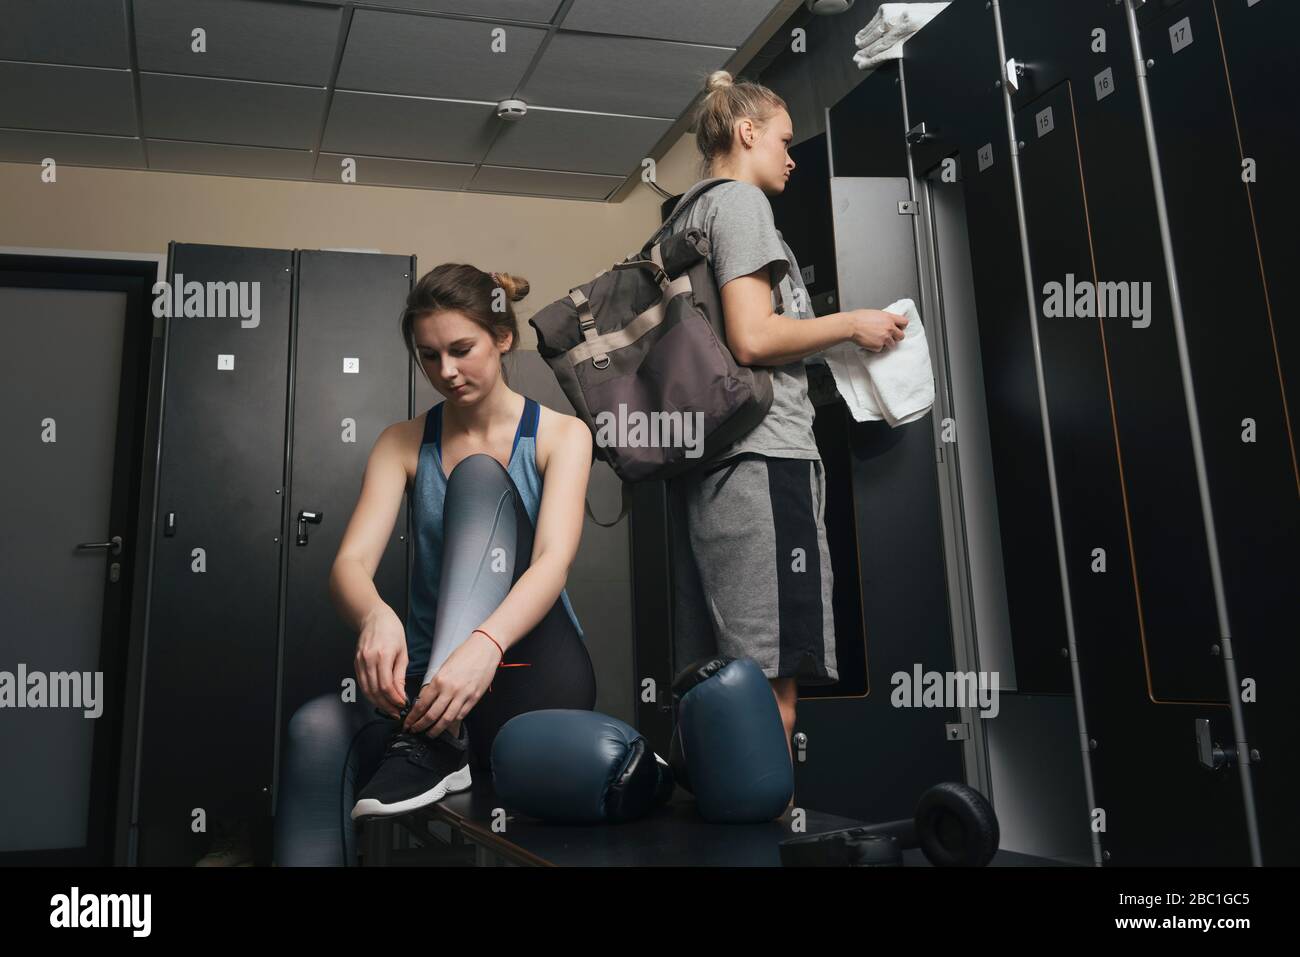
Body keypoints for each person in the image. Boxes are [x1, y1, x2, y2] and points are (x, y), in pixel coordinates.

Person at [273, 264, 597, 866]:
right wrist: (374, 615)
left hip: (528, 669)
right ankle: (436, 740)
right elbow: (349, 564)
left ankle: (441, 741)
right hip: (426, 690)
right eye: (428, 357)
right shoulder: (401, 442)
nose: (446, 372)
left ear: (502, 337)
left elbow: (553, 563)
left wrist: (485, 644)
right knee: (314, 728)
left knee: (476, 477)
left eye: (461, 350)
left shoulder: (562, 435)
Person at [666, 70, 909, 767]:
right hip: (765, 466)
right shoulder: (740, 206)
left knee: (721, 681)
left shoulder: (685, 214)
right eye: (782, 139)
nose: (792, 155)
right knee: (771, 688)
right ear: (746, 134)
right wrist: (851, 325)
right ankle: (766, 838)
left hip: (712, 470)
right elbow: (753, 338)